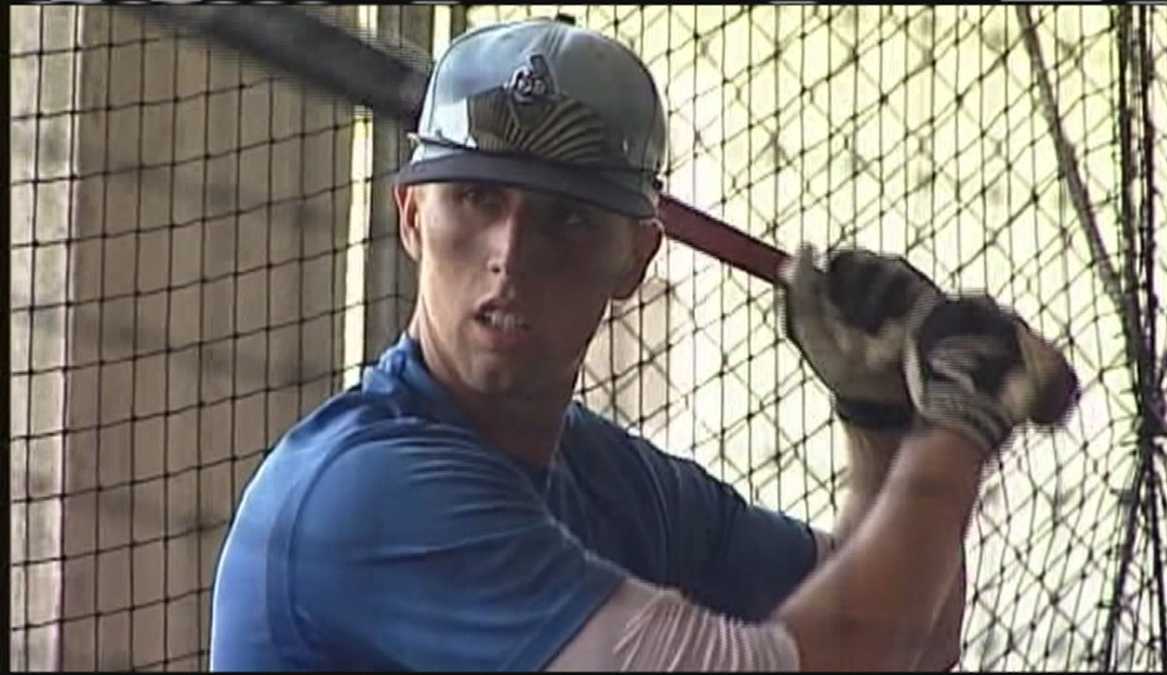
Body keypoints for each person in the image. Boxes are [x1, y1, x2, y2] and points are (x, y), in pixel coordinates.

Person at [209, 15, 1059, 671]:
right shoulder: (370, 489)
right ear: (411, 219)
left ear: (635, 255)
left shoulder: (617, 484)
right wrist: (955, 429)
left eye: (566, 218)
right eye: (473, 199)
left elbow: (912, 641)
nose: (510, 253)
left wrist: (879, 419)